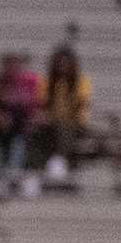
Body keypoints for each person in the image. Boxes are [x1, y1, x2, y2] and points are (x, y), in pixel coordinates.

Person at [37, 45, 89, 180]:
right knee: (33, 131)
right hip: (50, 123)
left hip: (74, 124)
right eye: (60, 63)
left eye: (66, 63)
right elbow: (42, 106)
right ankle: (31, 172)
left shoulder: (81, 82)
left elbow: (80, 110)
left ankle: (59, 160)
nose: (63, 67)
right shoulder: (46, 83)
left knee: (63, 125)